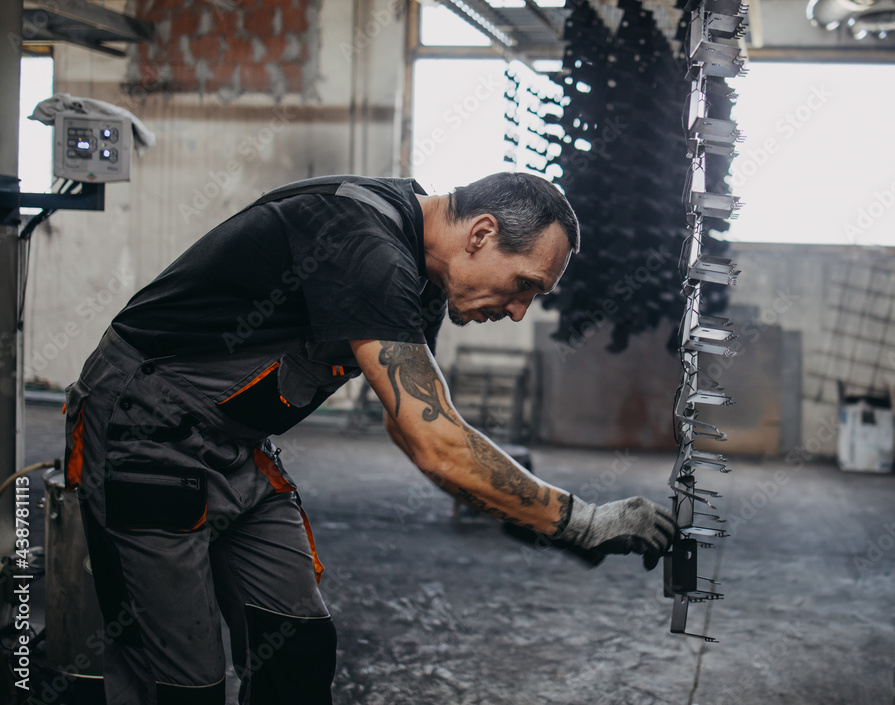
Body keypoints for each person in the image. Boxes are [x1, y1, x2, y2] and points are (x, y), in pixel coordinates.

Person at [63, 172, 676, 704]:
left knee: (297, 649)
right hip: (144, 432)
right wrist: (581, 522)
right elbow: (437, 443)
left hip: (237, 448)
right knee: (182, 683)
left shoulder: (420, 272)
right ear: (482, 233)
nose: (519, 311)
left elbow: (415, 428)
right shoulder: (363, 243)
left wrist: (534, 514)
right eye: (524, 285)